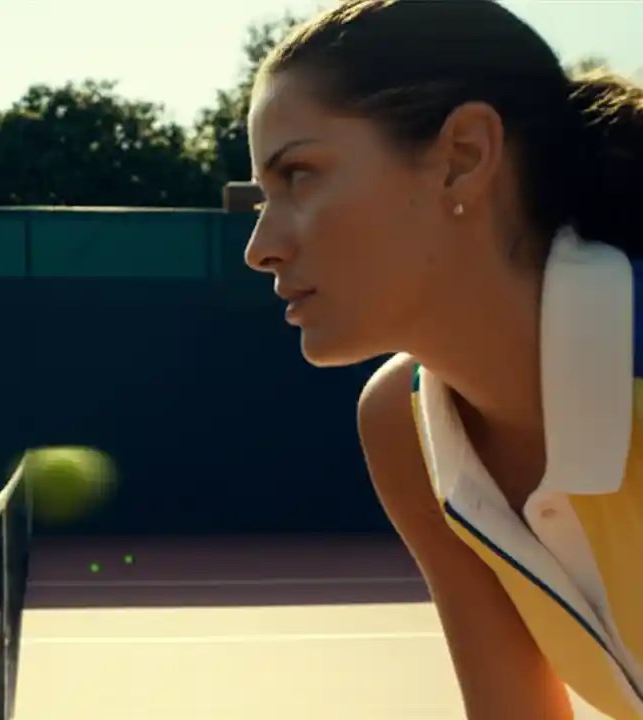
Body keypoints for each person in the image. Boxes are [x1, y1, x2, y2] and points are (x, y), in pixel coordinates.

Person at [242, 0, 643, 718]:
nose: (260, 246)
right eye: (260, 198)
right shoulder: (402, 428)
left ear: (463, 157)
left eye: (299, 175)